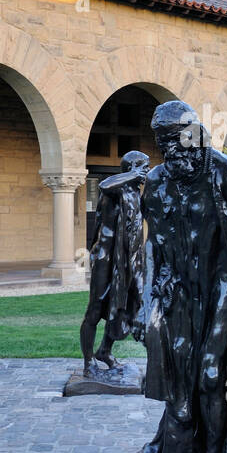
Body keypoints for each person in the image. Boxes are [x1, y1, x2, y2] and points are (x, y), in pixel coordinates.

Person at [138, 101, 227, 453]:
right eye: (164, 144)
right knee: (180, 383)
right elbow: (152, 250)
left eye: (180, 141)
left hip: (221, 286)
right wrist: (147, 307)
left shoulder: (226, 174)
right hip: (177, 291)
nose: (174, 152)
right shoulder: (157, 184)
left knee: (213, 375)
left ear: (198, 136)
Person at [79, 151, 149, 376]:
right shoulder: (113, 190)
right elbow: (105, 184)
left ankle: (105, 351)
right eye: (143, 167)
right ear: (133, 168)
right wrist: (132, 175)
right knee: (96, 308)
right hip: (105, 257)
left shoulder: (136, 194)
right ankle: (89, 361)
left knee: (122, 306)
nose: (146, 172)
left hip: (127, 260)